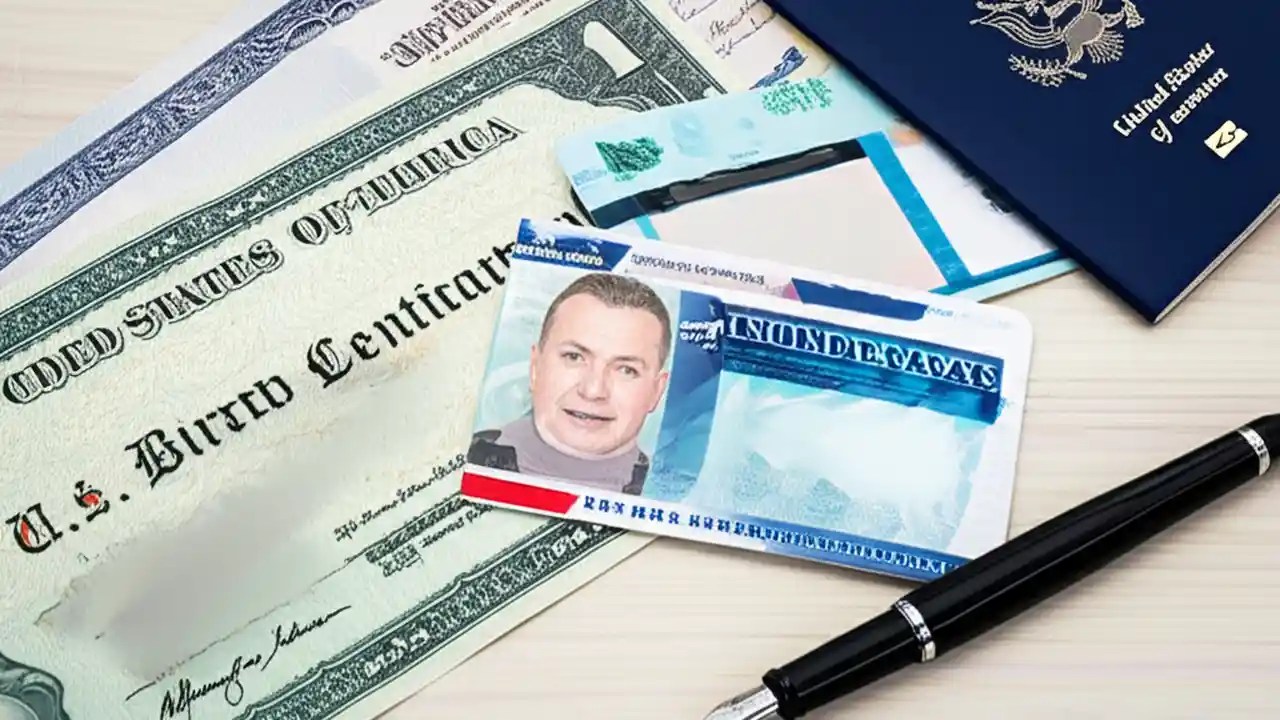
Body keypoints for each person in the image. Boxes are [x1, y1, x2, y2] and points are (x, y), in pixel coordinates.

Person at [469, 272, 672, 495]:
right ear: (535, 367)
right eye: (574, 357)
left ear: (656, 391)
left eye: (626, 370)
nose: (593, 390)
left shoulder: (672, 494)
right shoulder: (463, 456)